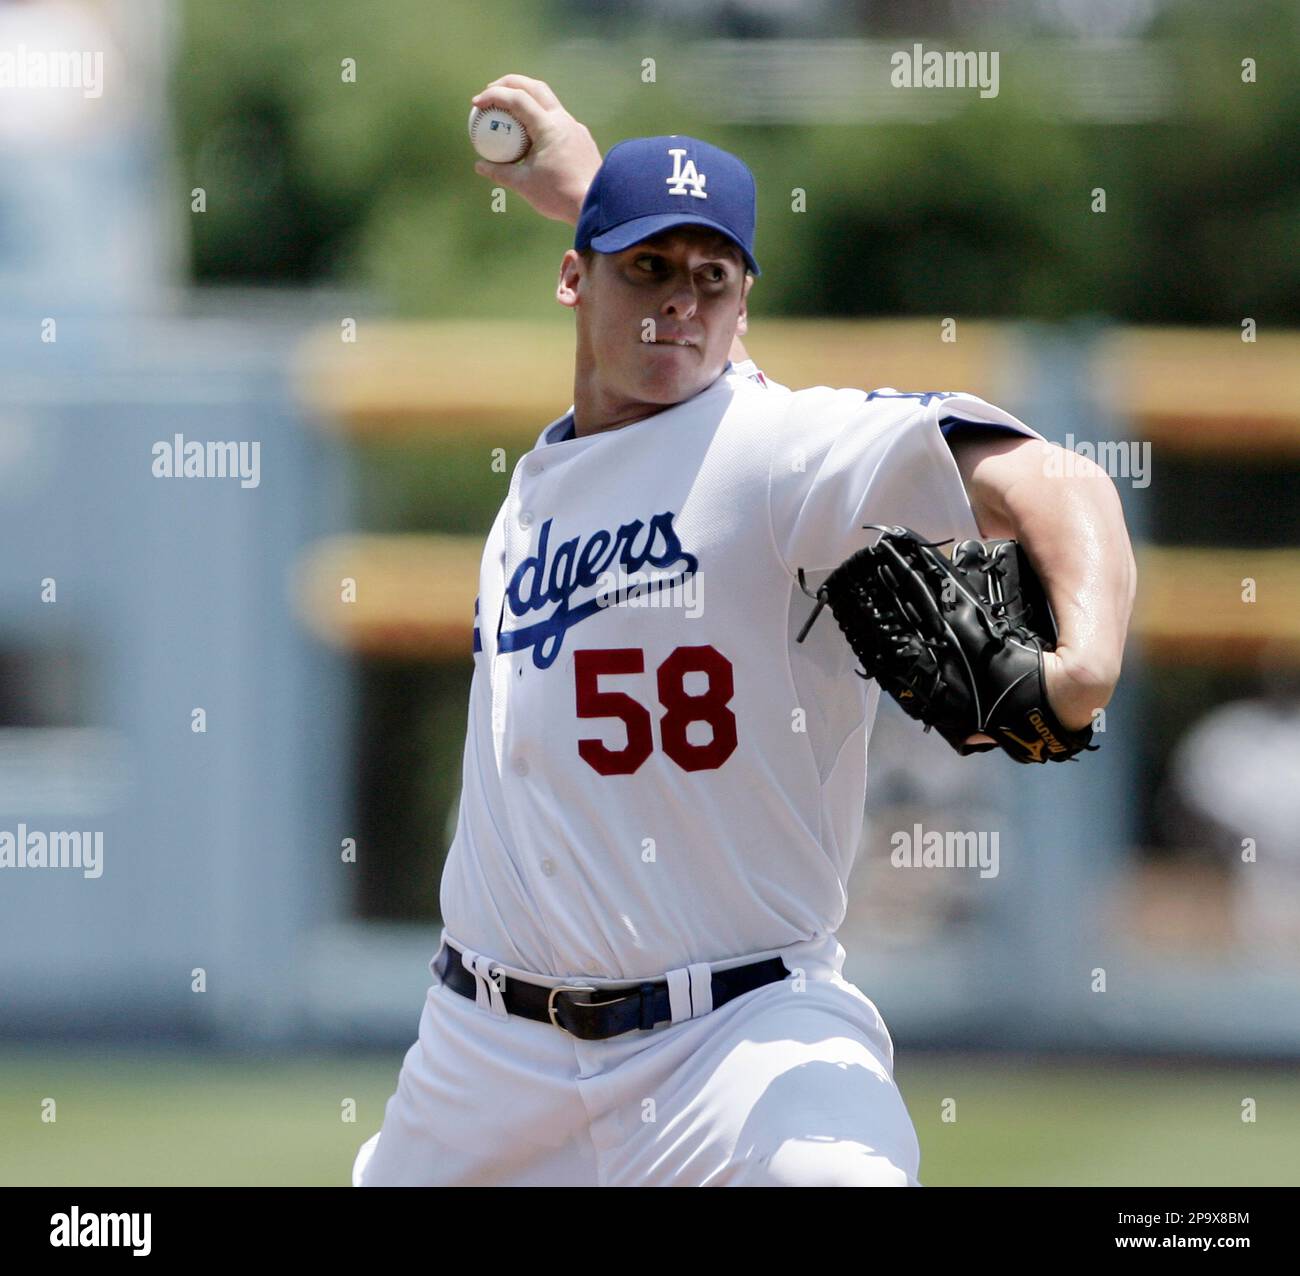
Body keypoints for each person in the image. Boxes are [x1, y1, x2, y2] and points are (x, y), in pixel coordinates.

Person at [353, 76, 1136, 1187]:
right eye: (647, 269)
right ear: (574, 276)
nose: (678, 302)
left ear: (744, 310)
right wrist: (587, 187)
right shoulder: (545, 475)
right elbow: (640, 292)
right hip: (486, 1056)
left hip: (734, 1038)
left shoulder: (778, 454)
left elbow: (1052, 481)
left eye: (711, 279)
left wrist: (1087, 662)